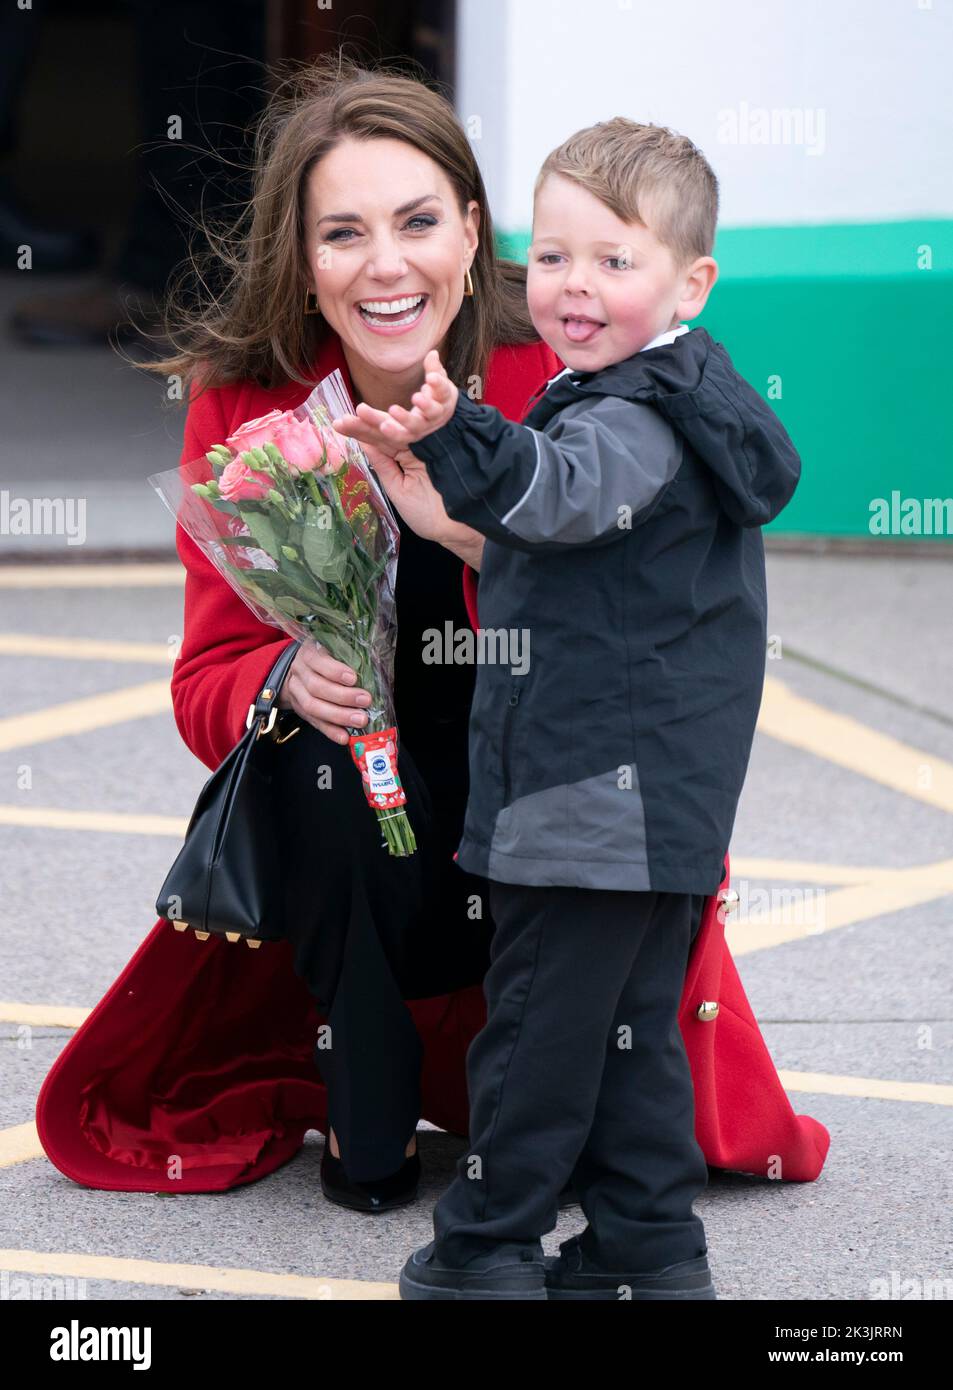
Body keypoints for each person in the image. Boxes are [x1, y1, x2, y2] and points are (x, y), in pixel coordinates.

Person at [35, 67, 830, 1234]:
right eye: (343, 233)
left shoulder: (554, 363)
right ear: (303, 258)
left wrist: (470, 532)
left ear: (470, 229)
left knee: (593, 1102)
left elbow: (651, 611)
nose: (386, 264)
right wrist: (276, 677)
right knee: (315, 760)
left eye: (417, 223)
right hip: (363, 822)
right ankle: (369, 1094)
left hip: (544, 782)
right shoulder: (248, 398)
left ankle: (535, 1108)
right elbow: (202, 682)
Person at [334, 117, 802, 1299]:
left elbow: (560, 490)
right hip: (650, 814)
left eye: (613, 260)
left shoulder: (627, 417)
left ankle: (484, 1250)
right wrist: (447, 501)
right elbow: (563, 545)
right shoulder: (678, 399)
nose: (573, 287)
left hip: (584, 801)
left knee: (535, 1034)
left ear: (689, 280)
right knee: (627, 1038)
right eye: (551, 258)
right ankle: (647, 1246)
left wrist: (459, 428)